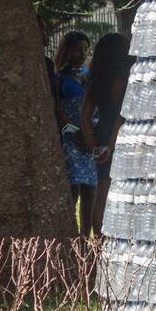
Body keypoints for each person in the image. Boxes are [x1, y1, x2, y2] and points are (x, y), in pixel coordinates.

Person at [81, 29, 133, 236]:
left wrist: (94, 143)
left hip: (102, 133)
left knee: (101, 193)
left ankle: (99, 240)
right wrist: (112, 145)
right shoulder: (124, 80)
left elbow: (84, 116)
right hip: (121, 136)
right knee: (120, 193)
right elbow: (122, 116)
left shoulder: (95, 80)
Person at [53, 30, 96, 235]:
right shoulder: (59, 77)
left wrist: (89, 134)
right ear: (67, 50)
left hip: (91, 134)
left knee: (91, 187)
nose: (82, 53)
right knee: (74, 187)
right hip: (71, 136)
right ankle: (70, 233)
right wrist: (76, 132)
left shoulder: (89, 75)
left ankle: (85, 236)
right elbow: (57, 108)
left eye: (85, 50)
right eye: (78, 49)